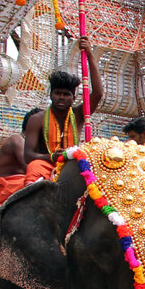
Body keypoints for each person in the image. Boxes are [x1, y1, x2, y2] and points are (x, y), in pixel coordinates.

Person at [23, 37, 103, 183]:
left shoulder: (79, 114)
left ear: (73, 98)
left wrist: (90, 55)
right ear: (51, 95)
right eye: (58, 93)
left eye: (66, 94)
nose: (61, 97)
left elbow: (97, 94)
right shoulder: (37, 119)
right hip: (46, 166)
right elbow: (28, 155)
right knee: (34, 167)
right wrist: (51, 157)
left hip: (72, 165)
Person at [0, 108, 41, 214]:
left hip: (19, 188)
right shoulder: (17, 139)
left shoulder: (34, 146)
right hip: (7, 191)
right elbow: (31, 168)